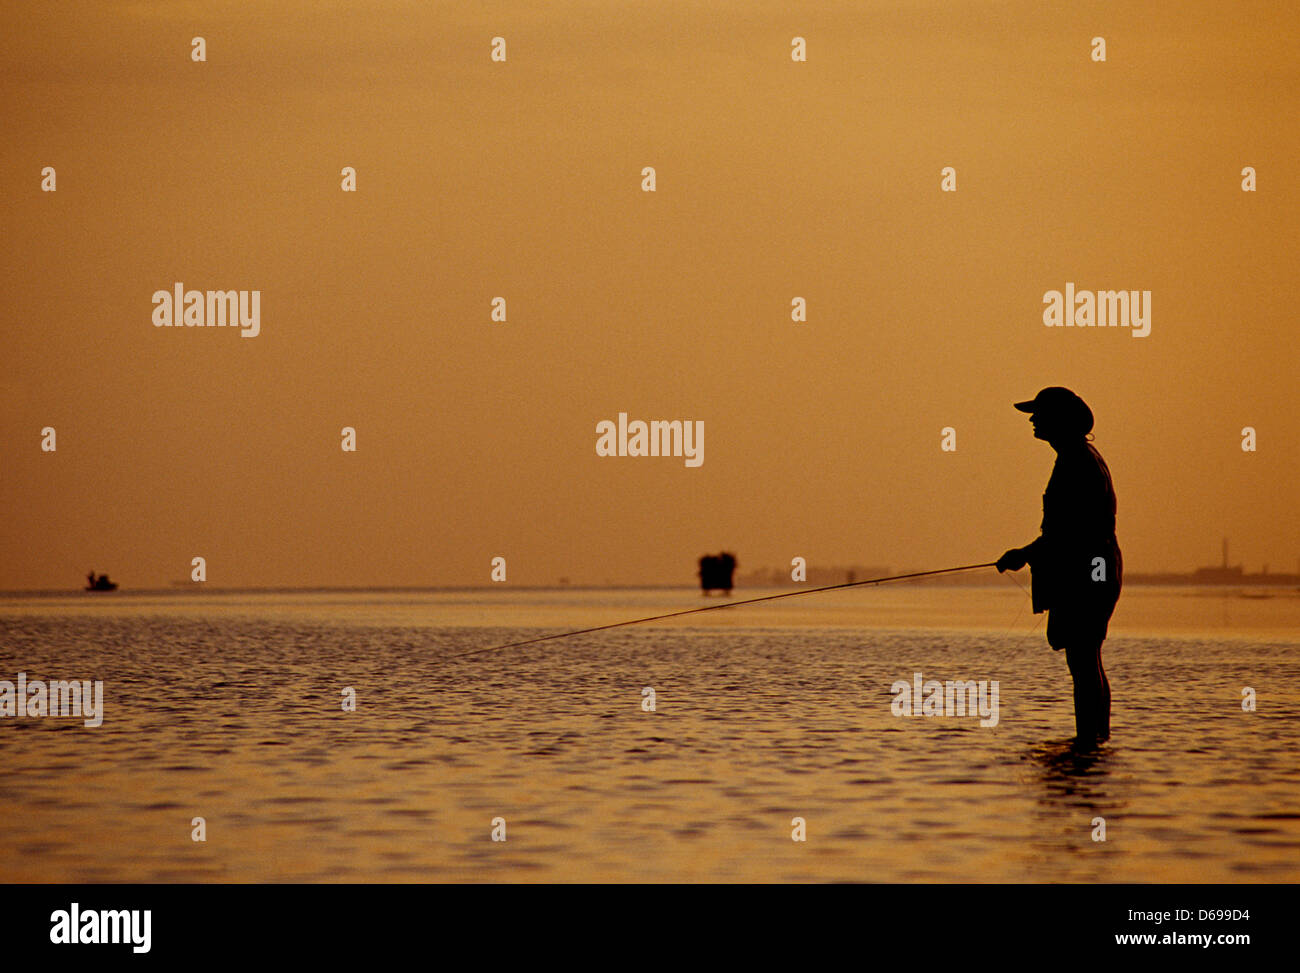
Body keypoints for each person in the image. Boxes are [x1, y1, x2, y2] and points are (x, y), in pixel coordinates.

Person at [996, 387, 1121, 743]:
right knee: (1087, 657)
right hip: (1095, 567)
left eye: (1039, 414)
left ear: (1060, 420)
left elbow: (1071, 532)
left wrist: (1025, 554)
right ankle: (1094, 743)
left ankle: (1089, 741)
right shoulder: (1077, 456)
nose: (1033, 420)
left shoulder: (1076, 461)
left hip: (1089, 572)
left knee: (1083, 659)